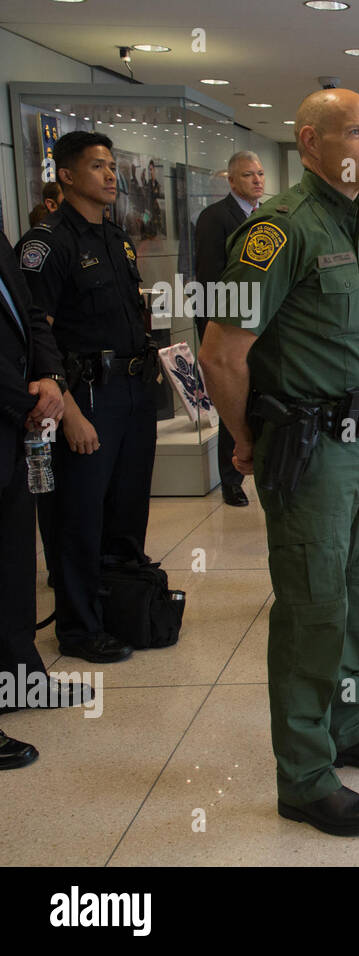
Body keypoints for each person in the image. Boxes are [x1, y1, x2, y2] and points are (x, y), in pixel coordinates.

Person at [199, 89, 359, 838]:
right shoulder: (276, 228)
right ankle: (303, 773)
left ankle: (346, 724)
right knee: (312, 608)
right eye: (358, 133)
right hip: (310, 448)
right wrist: (247, 440)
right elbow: (221, 353)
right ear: (311, 140)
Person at [17, 131, 157, 665]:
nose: (110, 175)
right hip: (84, 395)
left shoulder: (116, 238)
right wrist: (69, 412)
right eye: (97, 166)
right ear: (67, 176)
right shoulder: (47, 243)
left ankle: (119, 607)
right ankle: (78, 628)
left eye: (112, 165)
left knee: (126, 510)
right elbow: (36, 333)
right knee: (77, 516)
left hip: (131, 390)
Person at [0, 229, 84, 768]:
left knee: (11, 563)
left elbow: (29, 314)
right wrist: (24, 397)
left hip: (12, 425)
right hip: (11, 406)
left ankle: (19, 678)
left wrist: (50, 379)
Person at [194, 150, 265, 507]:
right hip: (229, 324)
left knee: (254, 396)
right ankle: (230, 478)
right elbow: (210, 280)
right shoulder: (215, 218)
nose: (258, 180)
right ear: (232, 179)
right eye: (249, 175)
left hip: (258, 325)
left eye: (261, 174)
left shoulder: (262, 216)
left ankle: (253, 463)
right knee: (232, 399)